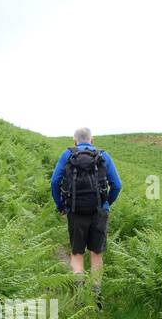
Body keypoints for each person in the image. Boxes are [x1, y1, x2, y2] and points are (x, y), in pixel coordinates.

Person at [51, 127, 121, 308]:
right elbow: (117, 185)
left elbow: (54, 182)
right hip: (99, 211)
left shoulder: (67, 155)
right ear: (92, 139)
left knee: (77, 253)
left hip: (75, 211)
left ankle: (79, 295)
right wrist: (106, 204)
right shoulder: (103, 156)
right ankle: (97, 296)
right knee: (96, 254)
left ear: (74, 140)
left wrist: (61, 205)